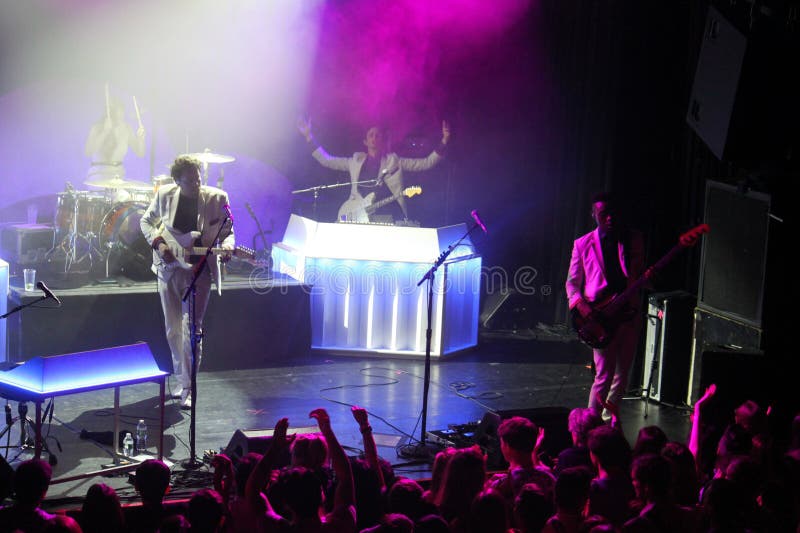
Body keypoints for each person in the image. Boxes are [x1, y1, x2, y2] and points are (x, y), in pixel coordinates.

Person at [140, 155, 234, 409]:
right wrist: (159, 244)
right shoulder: (164, 195)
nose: (196, 183)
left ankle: (189, 388)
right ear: (177, 180)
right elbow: (146, 221)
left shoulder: (217, 198)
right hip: (168, 269)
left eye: (198, 178)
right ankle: (181, 379)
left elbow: (228, 233)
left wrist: (227, 247)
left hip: (200, 271)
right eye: (190, 180)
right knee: (173, 330)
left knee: (192, 330)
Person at [565, 192, 646, 414]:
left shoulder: (633, 239)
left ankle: (610, 420)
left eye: (613, 213)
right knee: (603, 375)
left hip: (628, 313)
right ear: (594, 215)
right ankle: (591, 422)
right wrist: (582, 307)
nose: (610, 218)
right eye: (604, 214)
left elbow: (637, 275)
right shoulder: (582, 244)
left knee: (623, 374)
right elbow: (572, 283)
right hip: (600, 316)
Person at [297, 118, 450, 222]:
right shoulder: (354, 162)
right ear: (365, 141)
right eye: (371, 135)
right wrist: (309, 137)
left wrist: (444, 141)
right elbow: (327, 160)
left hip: (387, 213)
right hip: (358, 212)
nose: (374, 137)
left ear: (383, 140)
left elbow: (426, 163)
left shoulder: (394, 161)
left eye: (378, 135)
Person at [84, 93, 146, 183]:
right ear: (108, 113)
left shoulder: (126, 129)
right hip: (97, 174)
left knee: (124, 196)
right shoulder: (97, 128)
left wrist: (141, 139)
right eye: (116, 113)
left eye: (121, 113)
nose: (119, 117)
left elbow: (140, 153)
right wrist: (104, 132)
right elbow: (88, 152)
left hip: (118, 175)